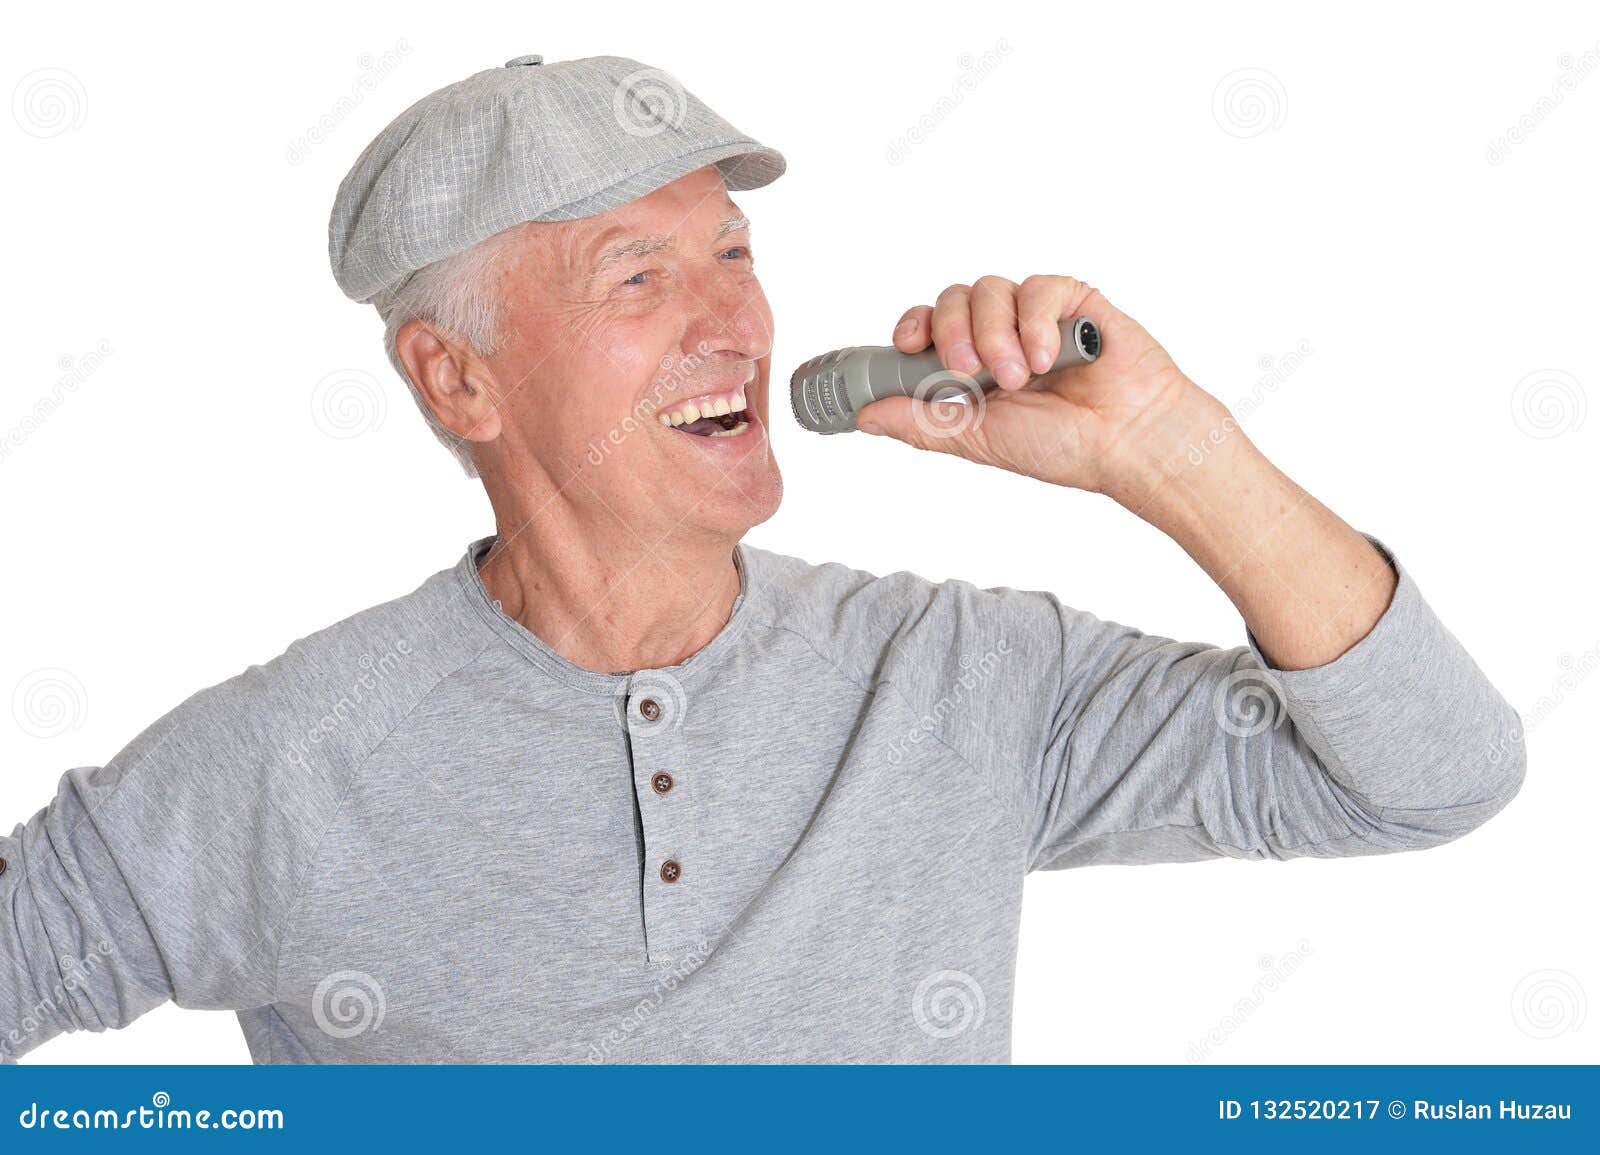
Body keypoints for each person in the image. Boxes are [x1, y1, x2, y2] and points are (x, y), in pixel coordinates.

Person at [1, 54, 1524, 1064]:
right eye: (639, 275)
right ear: (456, 380)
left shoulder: (960, 683)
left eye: (732, 252)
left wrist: (1169, 452)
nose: (729, 320)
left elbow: (1429, 775)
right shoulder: (286, 761)